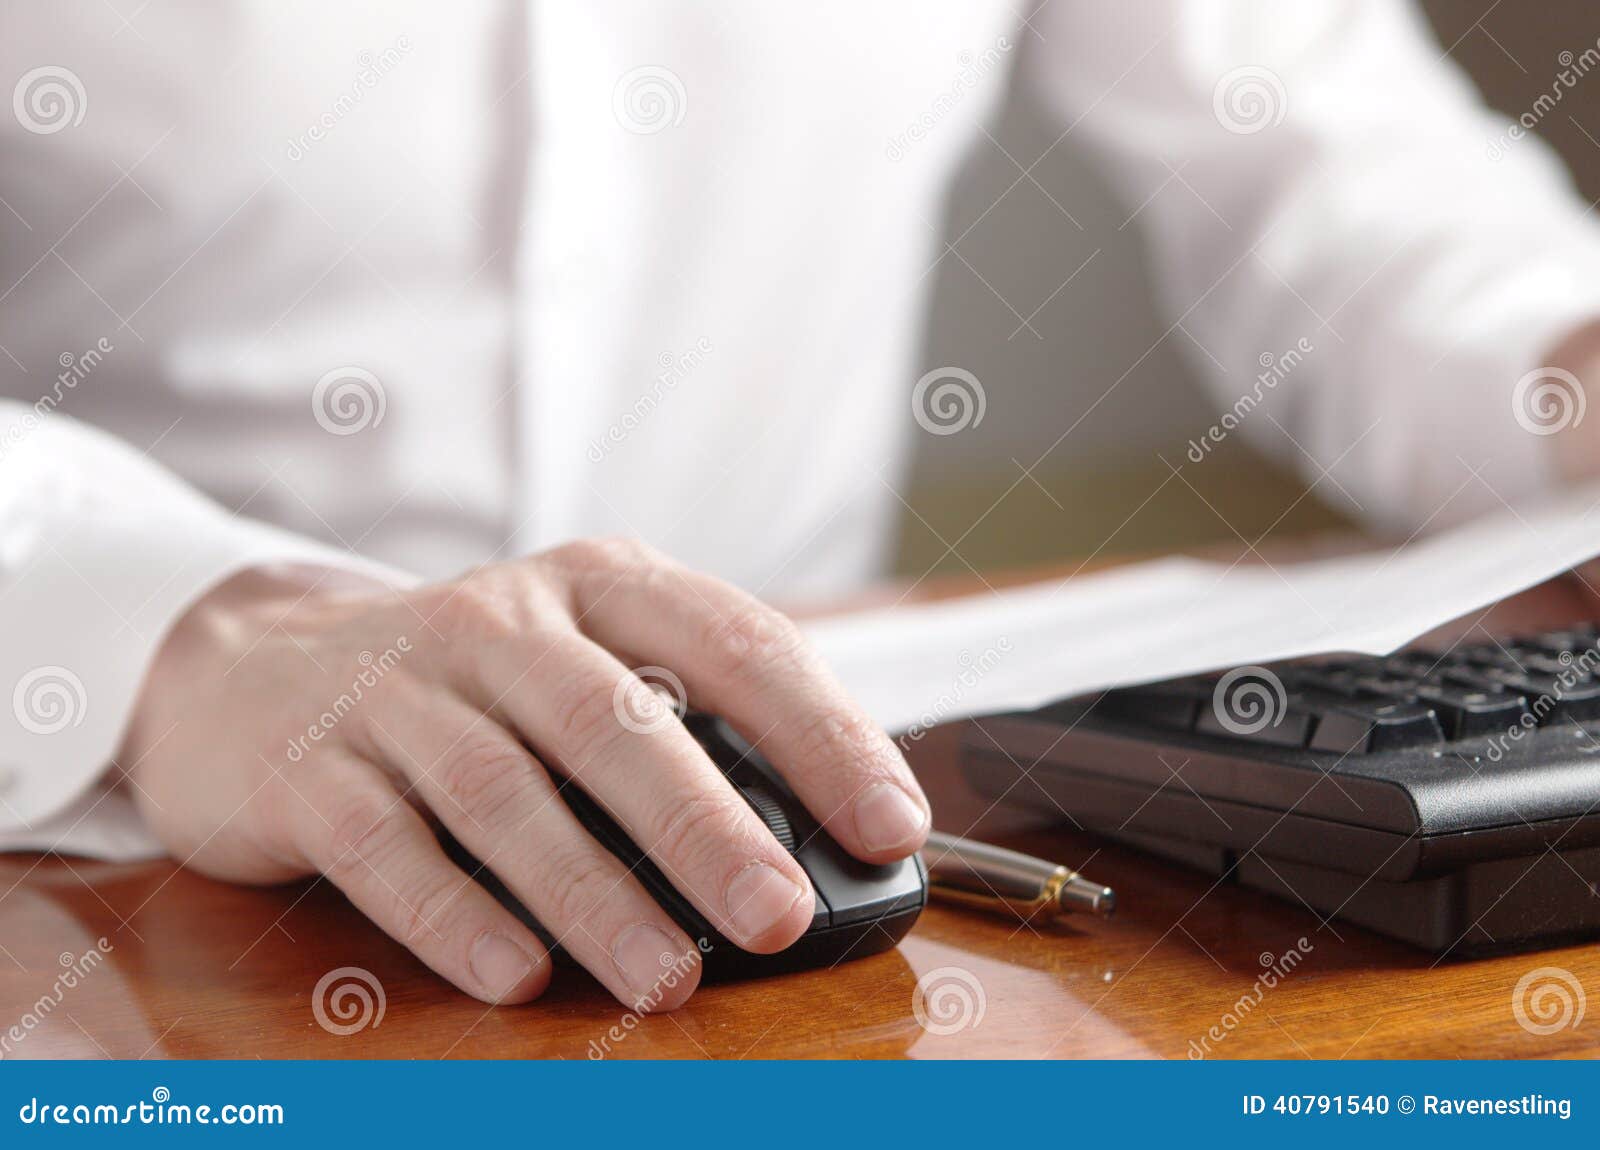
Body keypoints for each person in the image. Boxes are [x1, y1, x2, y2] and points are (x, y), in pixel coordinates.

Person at [5, 1, 1600, 1011]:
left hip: (806, 877)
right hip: (105, 858)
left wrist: (1562, 363)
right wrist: (182, 620)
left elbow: (1326, 155)